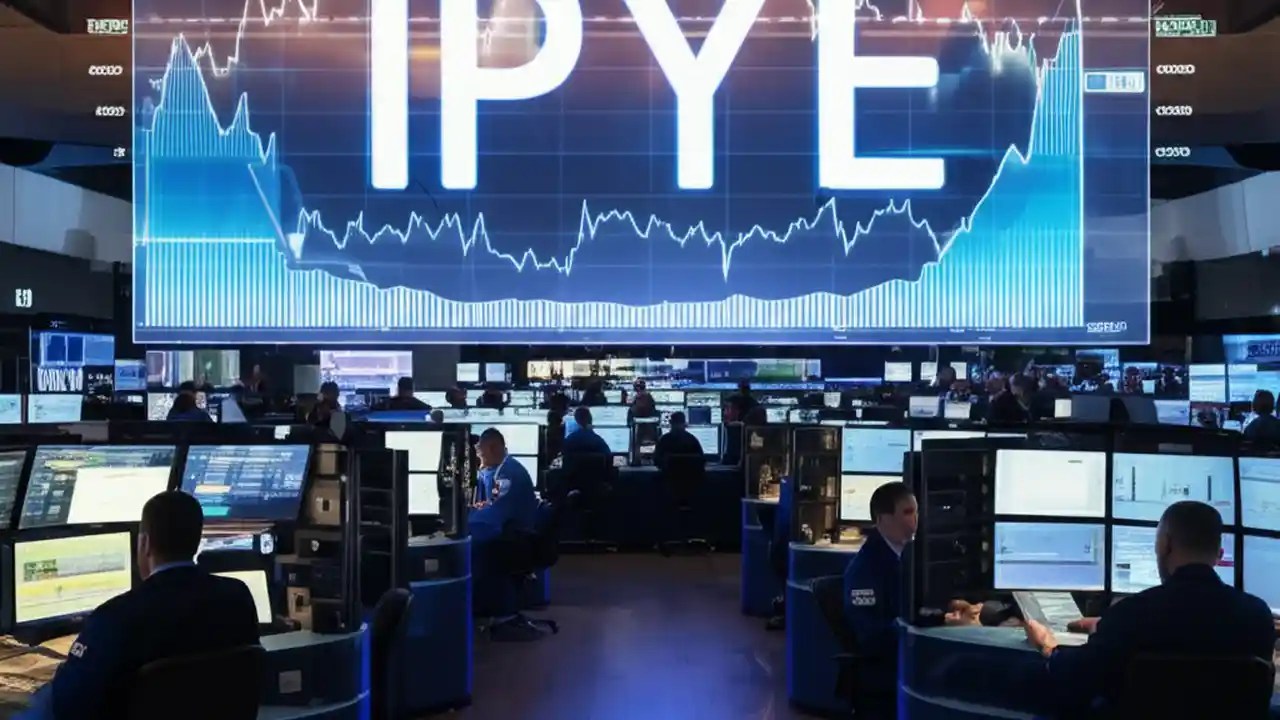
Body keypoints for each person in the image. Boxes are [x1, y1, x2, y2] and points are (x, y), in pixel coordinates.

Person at [21, 491, 259, 720]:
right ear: (197, 541)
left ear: (144, 543)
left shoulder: (116, 617)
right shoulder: (237, 596)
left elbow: (69, 704)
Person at [1023, 501, 1275, 715]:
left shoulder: (1132, 614)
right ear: (1219, 555)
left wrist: (1048, 647)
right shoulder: (1257, 616)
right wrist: (1107, 628)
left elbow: (1076, 675)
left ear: (1164, 545)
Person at [841, 483, 979, 718]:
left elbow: (913, 603)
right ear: (882, 519)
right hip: (885, 673)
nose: (915, 520)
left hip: (909, 659)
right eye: (906, 513)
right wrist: (939, 621)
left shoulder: (908, 555)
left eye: (916, 512)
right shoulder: (864, 570)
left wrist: (950, 606)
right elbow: (873, 637)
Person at [469, 428, 543, 640]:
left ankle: (482, 613)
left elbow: (494, 517)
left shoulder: (507, 475)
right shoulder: (502, 469)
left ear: (492, 448)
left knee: (469, 548)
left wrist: (462, 524)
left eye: (480, 453)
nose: (479, 459)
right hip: (514, 536)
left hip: (514, 542)